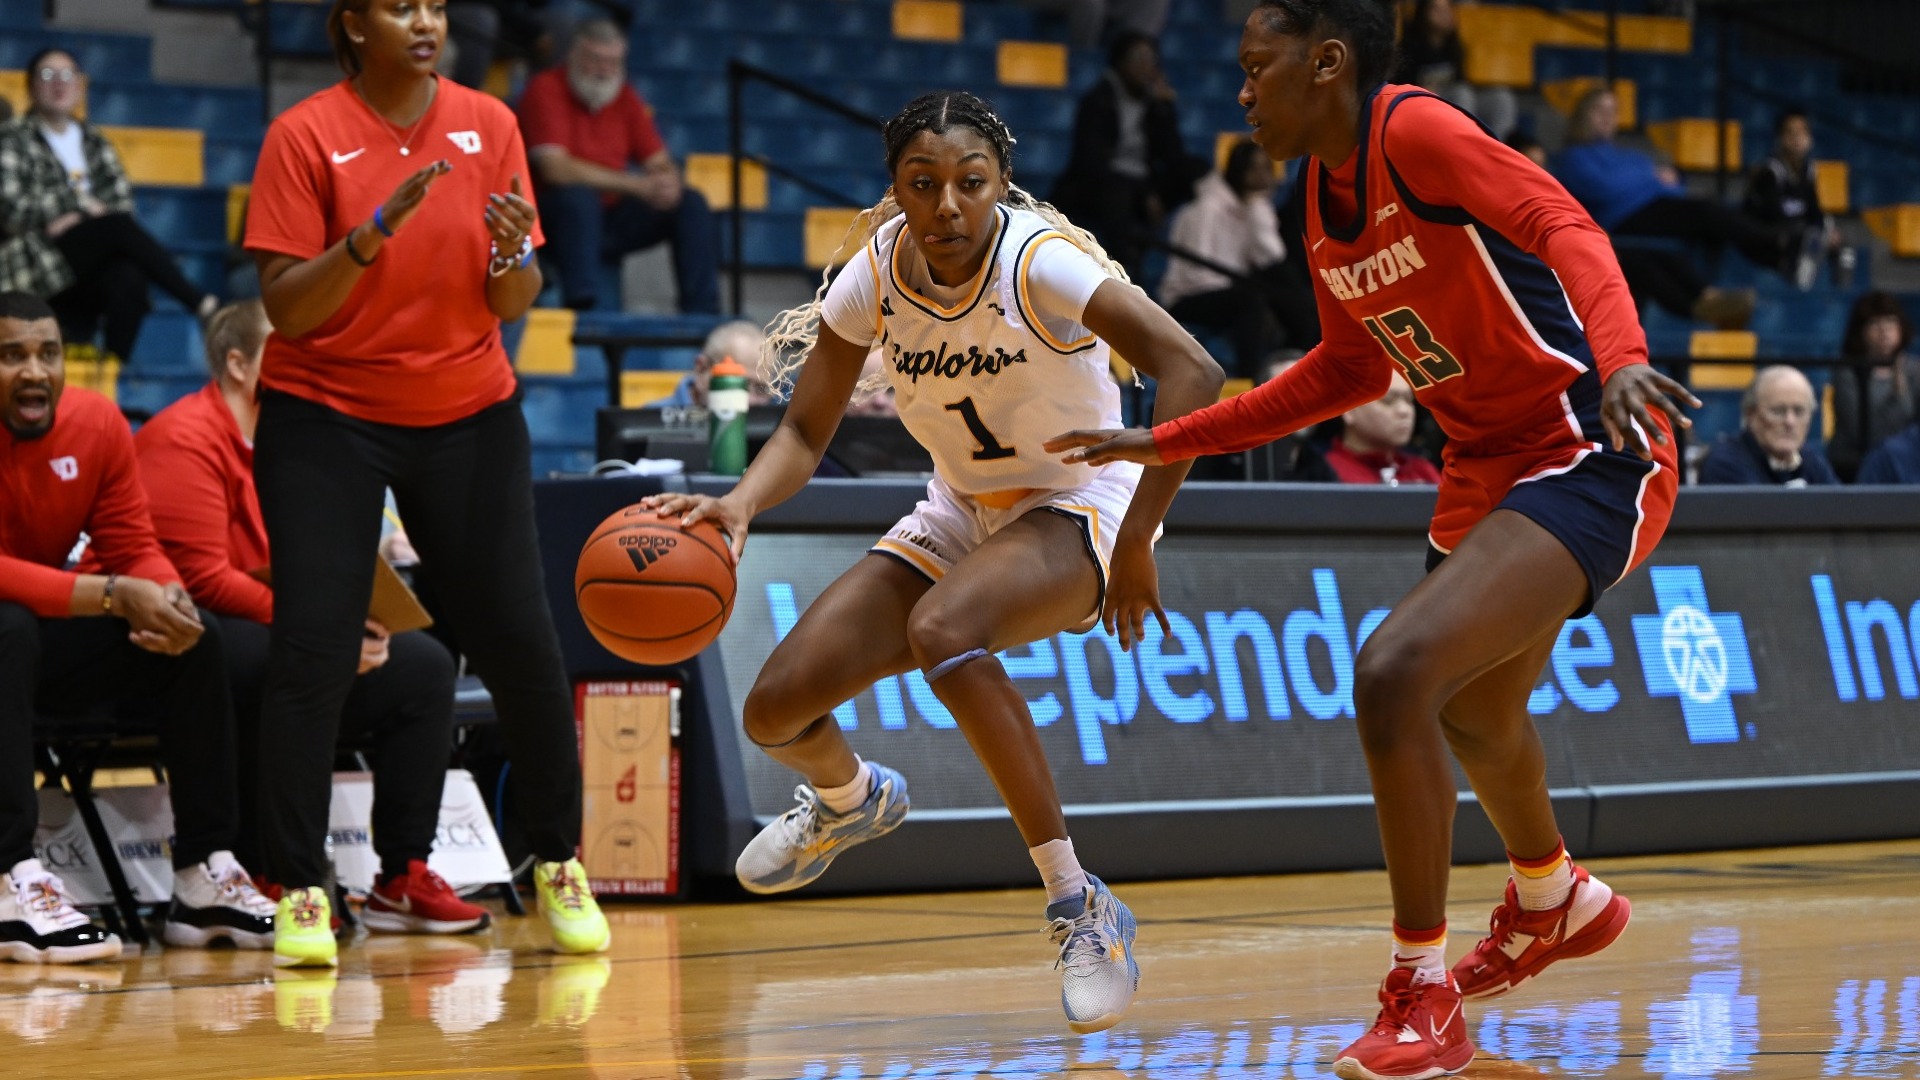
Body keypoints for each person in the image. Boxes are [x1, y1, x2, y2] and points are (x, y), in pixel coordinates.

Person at [1051, 4, 1700, 1076]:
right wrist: (1165, 436)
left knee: (1393, 674)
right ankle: (1554, 898)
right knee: (1474, 711)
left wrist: (1623, 354)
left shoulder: (1418, 133)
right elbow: (1346, 373)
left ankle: (1423, 992)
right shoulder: (1317, 192)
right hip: (1485, 463)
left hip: (1592, 442)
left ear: (1329, 62)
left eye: (1260, 68)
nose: (1244, 92)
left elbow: (1567, 226)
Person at [641, 91, 1223, 1035]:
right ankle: (851, 801)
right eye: (924, 184)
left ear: (1000, 184)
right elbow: (803, 427)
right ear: (895, 192)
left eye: (970, 182)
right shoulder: (873, 276)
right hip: (962, 507)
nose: (947, 203)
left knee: (944, 628)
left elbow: (1193, 368)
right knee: (775, 708)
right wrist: (739, 503)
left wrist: (1140, 537)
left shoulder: (1042, 262)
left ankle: (1082, 905)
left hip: (1083, 501)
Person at [243, 0, 609, 968]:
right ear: (354, 23)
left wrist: (509, 255)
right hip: (325, 416)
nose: (426, 22)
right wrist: (369, 238)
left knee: (520, 637)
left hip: (467, 410)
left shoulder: (491, 125)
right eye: (402, 6)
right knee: (314, 648)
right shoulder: (304, 134)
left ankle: (559, 861)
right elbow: (285, 309)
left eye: (437, 6)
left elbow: (513, 294)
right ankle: (301, 886)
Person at [133, 300, 484, 937]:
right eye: (288, 348)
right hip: (204, 640)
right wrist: (326, 635)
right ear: (237, 364)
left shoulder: (308, 440)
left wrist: (358, 622)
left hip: (293, 629)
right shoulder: (182, 435)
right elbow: (205, 581)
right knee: (261, 658)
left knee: (425, 668)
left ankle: (402, 875)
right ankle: (268, 869)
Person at [0, 291, 274, 961]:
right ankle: (9, 876)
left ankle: (201, 874)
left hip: (41, 643)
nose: (34, 372)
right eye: (11, 356)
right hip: (13, 635)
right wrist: (112, 593)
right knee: (7, 628)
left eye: (48, 353)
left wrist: (166, 594)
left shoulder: (96, 423)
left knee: (193, 637)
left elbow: (132, 542)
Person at [0, 48, 217, 362]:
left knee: (129, 279)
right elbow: (11, 210)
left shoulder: (94, 140)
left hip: (90, 261)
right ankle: (202, 304)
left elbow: (121, 204)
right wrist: (84, 208)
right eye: (47, 75)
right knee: (114, 228)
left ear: (79, 85)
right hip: (36, 260)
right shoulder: (12, 137)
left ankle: (113, 372)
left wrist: (73, 216)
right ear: (31, 86)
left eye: (67, 75)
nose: (58, 83)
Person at [516, 19, 718, 314]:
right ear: (575, 55)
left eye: (613, 61)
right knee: (578, 199)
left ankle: (703, 315)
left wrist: (668, 183)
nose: (604, 70)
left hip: (609, 218)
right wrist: (637, 186)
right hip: (552, 220)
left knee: (691, 202)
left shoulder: (624, 97)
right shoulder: (545, 88)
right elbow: (554, 169)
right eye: (596, 59)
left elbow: (658, 160)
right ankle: (583, 308)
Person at [1049, 33, 1206, 280]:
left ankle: (1197, 247)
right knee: (1116, 191)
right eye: (1139, 59)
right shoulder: (1098, 100)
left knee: (1198, 170)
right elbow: (1091, 162)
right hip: (1101, 185)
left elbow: (1173, 156)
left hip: (1142, 185)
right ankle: (1126, 268)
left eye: (1151, 59)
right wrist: (1145, 193)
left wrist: (1165, 108)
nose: (1147, 66)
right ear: (1120, 63)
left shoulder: (1153, 102)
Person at [1160, 138, 1319, 378]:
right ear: (1239, 169)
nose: (1264, 175)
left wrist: (1258, 208)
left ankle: (1305, 362)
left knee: (1290, 292)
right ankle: (1250, 380)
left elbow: (1271, 256)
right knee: (1250, 300)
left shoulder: (1250, 208)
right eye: (1256, 168)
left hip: (1227, 288)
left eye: (1267, 168)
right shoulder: (1207, 207)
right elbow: (1197, 271)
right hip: (1185, 297)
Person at [1741, 109, 1846, 290]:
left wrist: (1828, 231)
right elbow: (1772, 215)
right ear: (1780, 138)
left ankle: (1840, 292)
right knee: (1807, 236)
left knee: (1843, 245)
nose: (1797, 138)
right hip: (1762, 235)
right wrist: (1810, 230)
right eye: (1791, 132)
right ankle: (1798, 285)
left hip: (1796, 232)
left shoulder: (1809, 171)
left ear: (1810, 139)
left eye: (1802, 132)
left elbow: (1814, 211)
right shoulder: (1771, 170)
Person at [1827, 290, 1918, 482]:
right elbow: (1860, 430)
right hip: (1853, 465)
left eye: (1891, 322)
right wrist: (1897, 395)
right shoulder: (1847, 372)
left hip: (1905, 463)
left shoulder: (1914, 370)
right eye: (1876, 323)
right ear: (1861, 331)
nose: (1885, 331)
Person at [1391, 0, 1516, 138]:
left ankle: (1494, 147)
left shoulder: (1455, 46)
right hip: (1420, 101)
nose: (1444, 14)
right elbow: (1400, 84)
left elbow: (1461, 79)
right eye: (1436, 9)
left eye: (1447, 9)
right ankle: (1462, 143)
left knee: (1500, 97)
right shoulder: (1409, 47)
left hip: (1450, 97)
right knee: (1462, 94)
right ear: (1423, 13)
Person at [1697, 366, 1838, 487]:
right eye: (1778, 411)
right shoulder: (1723, 463)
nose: (1790, 422)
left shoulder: (1812, 460)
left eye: (1799, 411)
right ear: (1750, 414)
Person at [1325, 372, 1441, 485]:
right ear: (1349, 409)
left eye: (1409, 400)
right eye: (1388, 400)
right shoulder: (1324, 474)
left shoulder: (1424, 472)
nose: (1404, 411)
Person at [646, 319, 771, 409]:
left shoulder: (773, 434)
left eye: (761, 389)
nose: (751, 400)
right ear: (701, 368)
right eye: (739, 384)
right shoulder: (649, 421)